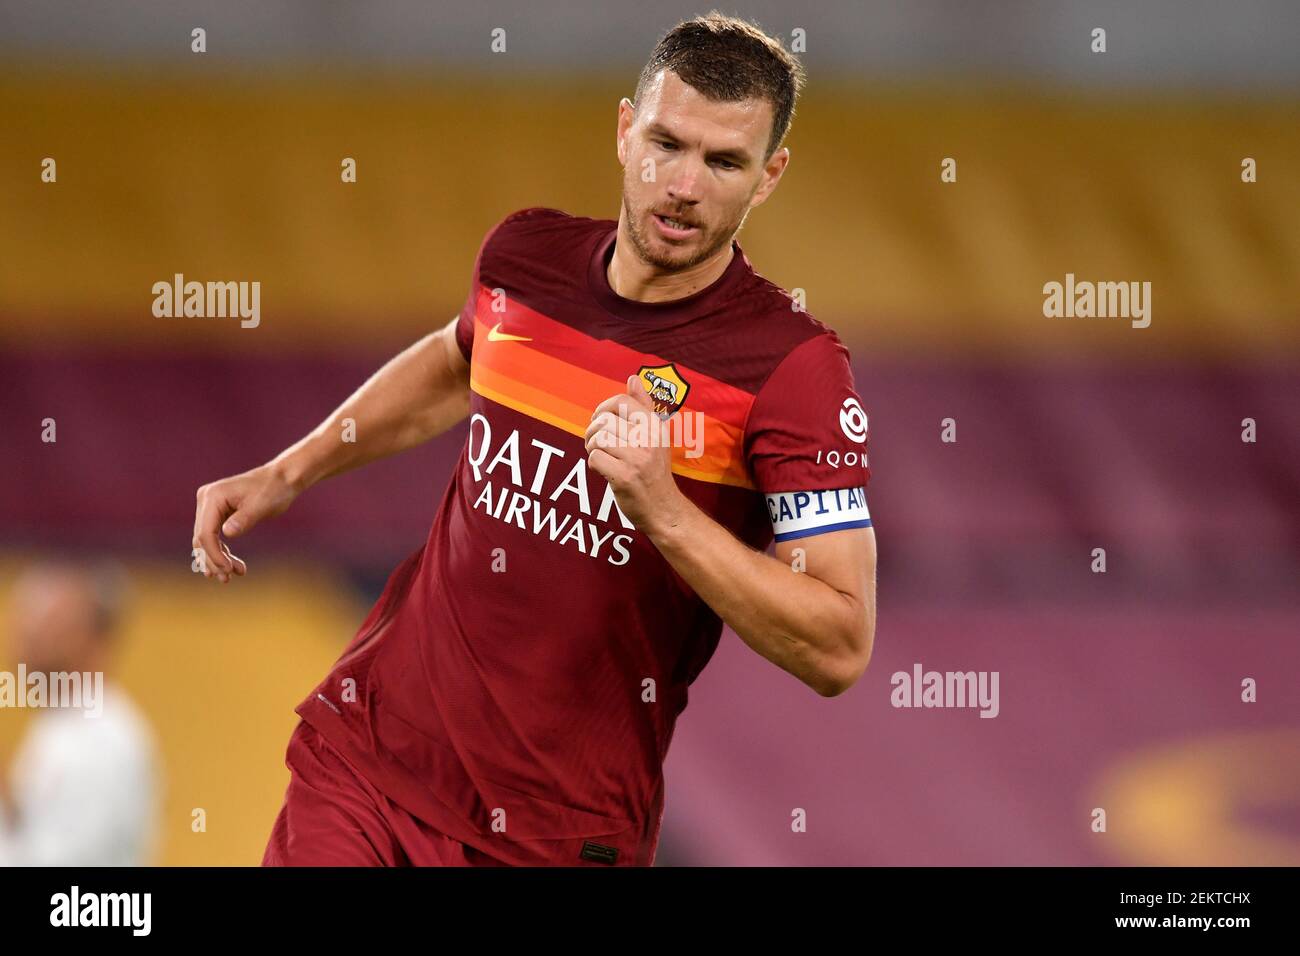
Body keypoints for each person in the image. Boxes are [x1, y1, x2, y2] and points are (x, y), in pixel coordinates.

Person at [193, 12, 876, 867]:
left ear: (769, 176)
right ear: (626, 132)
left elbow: (839, 643)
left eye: (724, 161)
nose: (684, 184)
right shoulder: (525, 258)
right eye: (667, 143)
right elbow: (455, 362)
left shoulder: (792, 370)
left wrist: (664, 511)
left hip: (559, 830)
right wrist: (289, 471)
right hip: (373, 758)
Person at [0, 561, 160, 866]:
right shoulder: (60, 727)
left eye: (48, 611)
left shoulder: (104, 739)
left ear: (92, 631)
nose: (28, 625)